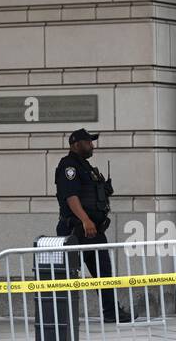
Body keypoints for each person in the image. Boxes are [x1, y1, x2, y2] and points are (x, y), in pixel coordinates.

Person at [54, 128, 129, 323]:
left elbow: (90, 194)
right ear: (76, 144)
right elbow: (71, 196)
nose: (92, 145)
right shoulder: (69, 166)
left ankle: (112, 312)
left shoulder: (86, 168)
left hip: (93, 230)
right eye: (88, 142)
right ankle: (58, 314)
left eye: (91, 142)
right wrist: (85, 220)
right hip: (77, 228)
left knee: (103, 272)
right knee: (67, 275)